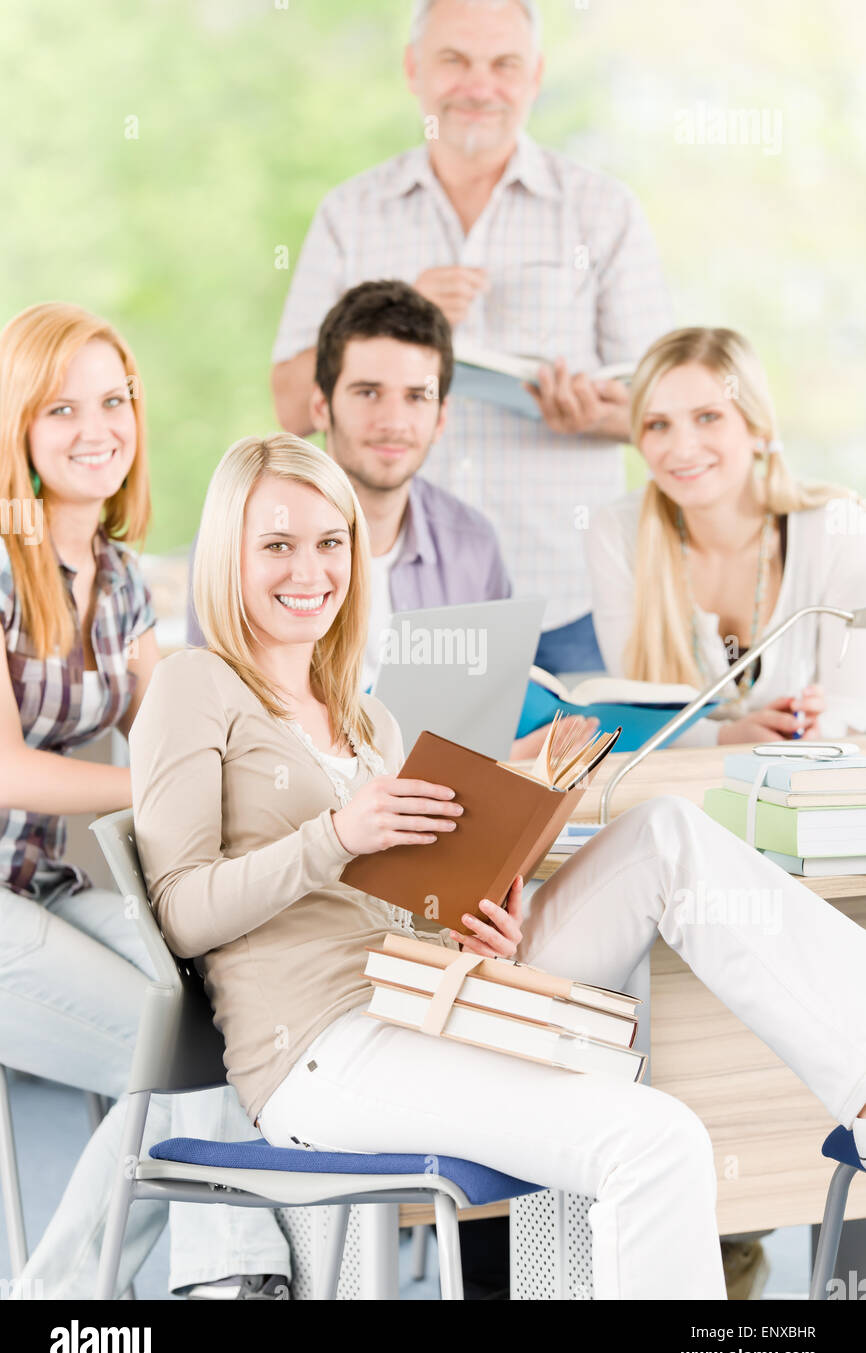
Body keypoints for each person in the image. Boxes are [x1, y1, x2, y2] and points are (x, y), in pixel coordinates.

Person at [130, 431, 866, 1300]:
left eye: (331, 543)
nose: (310, 570)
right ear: (228, 556)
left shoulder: (371, 722)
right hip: (325, 1052)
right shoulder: (194, 686)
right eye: (277, 546)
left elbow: (398, 911)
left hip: (430, 999)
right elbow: (179, 910)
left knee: (665, 832)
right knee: (658, 1138)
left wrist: (480, 927)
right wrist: (335, 833)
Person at [0, 302, 292, 1300]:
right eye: (62, 408)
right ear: (18, 428)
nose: (98, 428)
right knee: (172, 1051)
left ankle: (196, 1279)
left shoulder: (118, 575)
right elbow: (7, 769)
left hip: (42, 883)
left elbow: (168, 719)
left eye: (115, 400)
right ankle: (217, 1275)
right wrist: (168, 784)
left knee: (229, 992)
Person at [269, 0, 674, 677]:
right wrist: (401, 315)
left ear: (535, 75)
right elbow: (290, 403)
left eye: (503, 64)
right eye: (454, 60)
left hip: (564, 603)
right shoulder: (350, 213)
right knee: (398, 783)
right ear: (413, 69)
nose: (478, 86)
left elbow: (663, 411)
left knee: (562, 782)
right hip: (389, 604)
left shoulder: (604, 212)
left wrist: (596, 412)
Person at [191, 279, 596, 764]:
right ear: (322, 405)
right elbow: (221, 731)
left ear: (441, 416)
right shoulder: (243, 533)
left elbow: (482, 728)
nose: (393, 421)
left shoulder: (473, 546)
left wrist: (508, 758)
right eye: (368, 393)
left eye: (417, 397)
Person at [586, 327, 866, 746]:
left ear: (758, 427)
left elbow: (853, 709)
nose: (681, 449)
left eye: (707, 417)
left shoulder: (835, 527)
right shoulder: (617, 533)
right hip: (676, 793)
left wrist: (815, 727)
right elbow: (636, 712)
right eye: (658, 424)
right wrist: (725, 738)